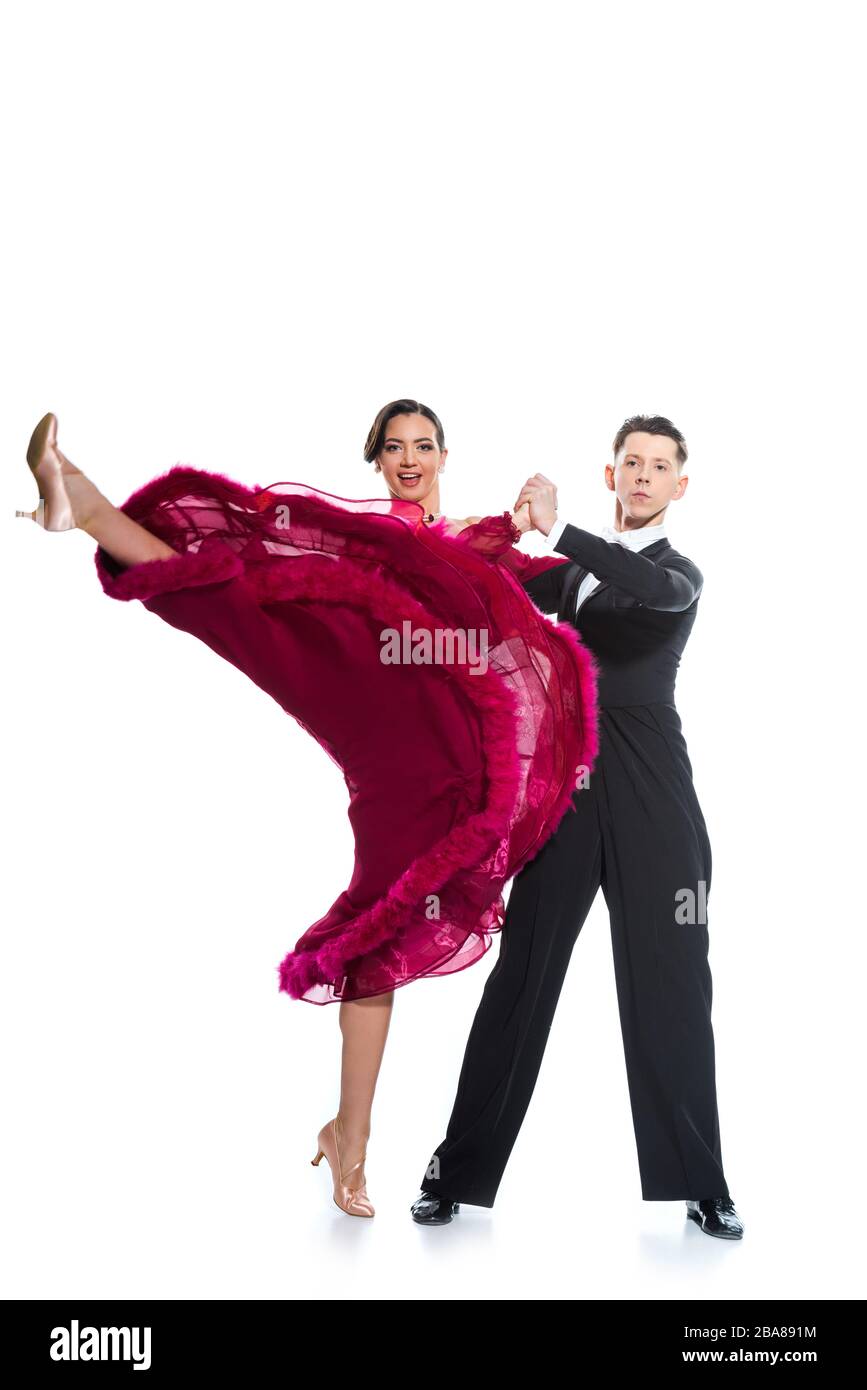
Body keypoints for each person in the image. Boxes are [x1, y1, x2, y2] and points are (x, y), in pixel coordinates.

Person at [15, 401, 598, 1221]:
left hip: (437, 759)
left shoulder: (466, 535)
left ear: (442, 455)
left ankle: (347, 1134)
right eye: (393, 448)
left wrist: (530, 523)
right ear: (376, 461)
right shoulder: (378, 537)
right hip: (355, 683)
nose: (408, 458)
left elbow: (515, 600)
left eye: (422, 446)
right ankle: (81, 505)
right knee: (238, 598)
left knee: (384, 930)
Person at [411, 415, 744, 1240]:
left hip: (654, 797)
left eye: (657, 465)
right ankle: (456, 1173)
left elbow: (642, 585)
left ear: (678, 485)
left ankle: (704, 1184)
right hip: (569, 787)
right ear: (611, 473)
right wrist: (463, 535)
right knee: (522, 975)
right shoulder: (572, 577)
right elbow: (499, 582)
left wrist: (557, 526)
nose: (641, 474)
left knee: (672, 983)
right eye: (630, 461)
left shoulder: (677, 575)